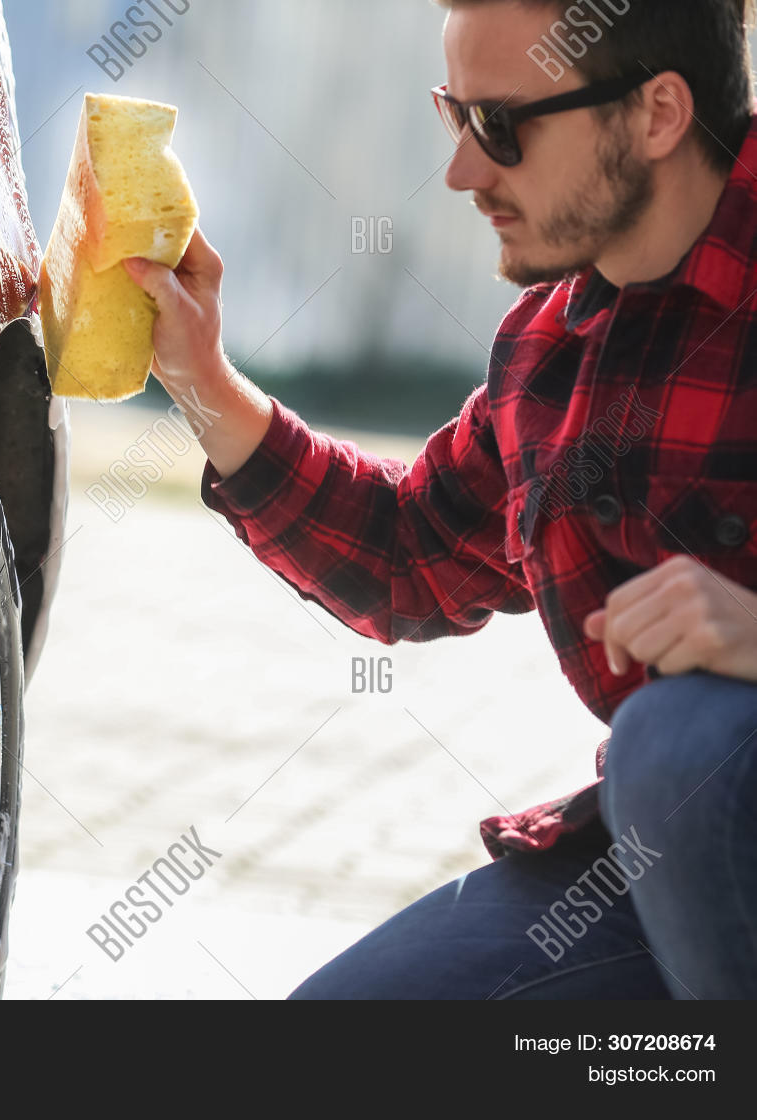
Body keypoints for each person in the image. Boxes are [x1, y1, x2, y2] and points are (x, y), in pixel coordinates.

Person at [123, 0, 757, 998]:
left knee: (680, 739)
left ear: (658, 114)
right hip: (670, 871)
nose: (461, 170)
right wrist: (201, 375)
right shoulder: (547, 352)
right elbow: (404, 552)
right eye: (451, 116)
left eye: (501, 126)